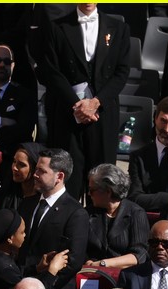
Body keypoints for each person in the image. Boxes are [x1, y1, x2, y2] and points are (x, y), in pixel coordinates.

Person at [36, 4, 131, 198]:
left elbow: (121, 72)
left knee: (103, 180)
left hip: (102, 113)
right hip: (67, 113)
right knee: (69, 178)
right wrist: (77, 105)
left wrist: (96, 102)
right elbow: (51, 71)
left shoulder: (119, 28)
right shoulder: (56, 27)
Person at [15, 148, 89, 289]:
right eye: (36, 169)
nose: (34, 174)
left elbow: (72, 261)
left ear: (59, 177)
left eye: (42, 171)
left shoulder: (75, 213)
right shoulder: (27, 204)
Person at [84, 164, 149, 270]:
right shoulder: (88, 213)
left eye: (92, 190)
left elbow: (139, 255)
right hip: (91, 275)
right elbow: (79, 247)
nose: (89, 194)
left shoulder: (136, 213)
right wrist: (87, 261)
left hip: (124, 276)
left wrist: (103, 263)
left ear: (108, 192)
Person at [0, 142, 42, 214]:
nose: (14, 168)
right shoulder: (3, 195)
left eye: (21, 165)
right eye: (14, 161)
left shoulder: (43, 201)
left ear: (34, 168)